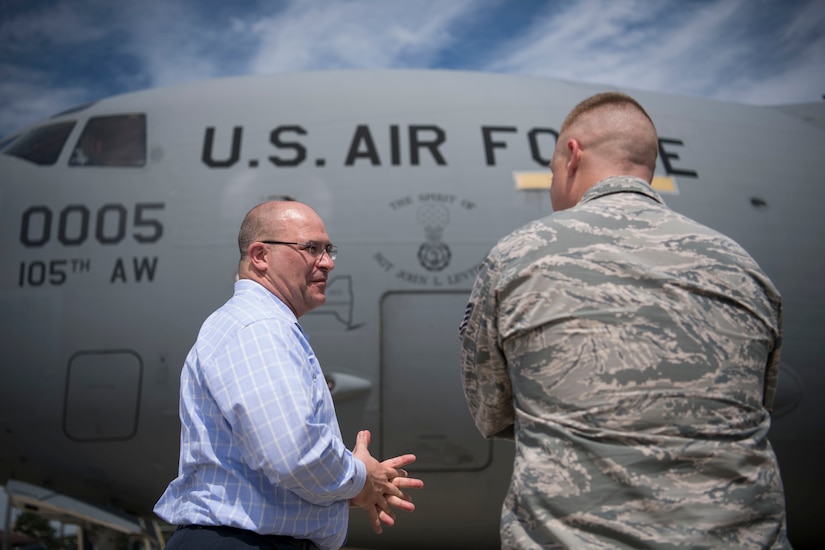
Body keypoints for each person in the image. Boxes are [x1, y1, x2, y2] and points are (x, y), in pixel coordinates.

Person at [459, 92, 790, 549]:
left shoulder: (516, 258)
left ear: (571, 156)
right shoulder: (743, 267)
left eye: (552, 170)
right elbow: (756, 404)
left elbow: (493, 413)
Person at [155, 200, 423, 550]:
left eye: (329, 249)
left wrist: (345, 492)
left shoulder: (260, 324)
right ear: (260, 256)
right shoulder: (259, 327)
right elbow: (293, 453)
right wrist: (360, 477)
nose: (326, 262)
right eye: (311, 248)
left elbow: (277, 467)